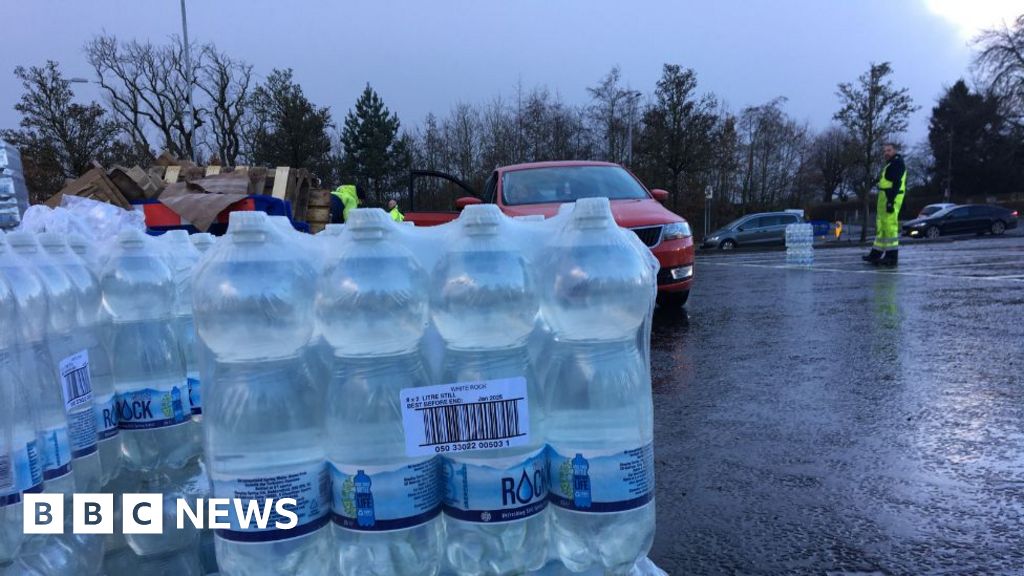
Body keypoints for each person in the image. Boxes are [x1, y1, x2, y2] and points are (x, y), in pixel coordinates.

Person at [863, 143, 907, 266]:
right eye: (885, 151)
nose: (886, 153)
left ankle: (891, 256)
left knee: (889, 226)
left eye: (889, 150)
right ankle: (876, 253)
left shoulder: (897, 163)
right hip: (884, 196)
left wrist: (891, 201)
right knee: (882, 226)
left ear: (894, 151)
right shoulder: (891, 164)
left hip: (890, 196)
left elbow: (897, 183)